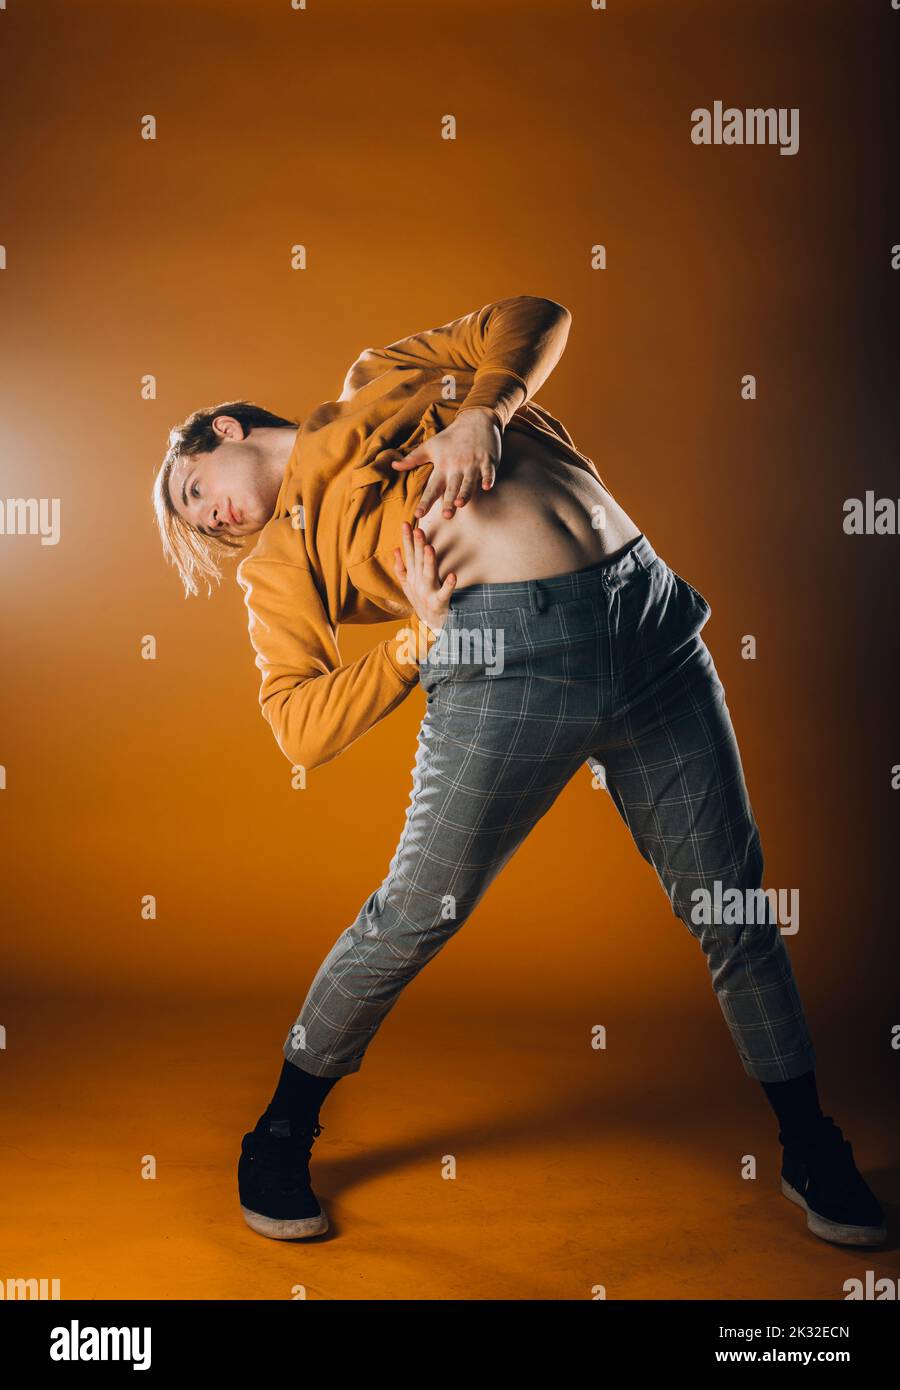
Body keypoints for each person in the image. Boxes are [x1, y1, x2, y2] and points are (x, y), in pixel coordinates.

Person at [153, 295, 885, 1250]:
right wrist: (417, 638)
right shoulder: (281, 558)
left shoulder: (386, 375)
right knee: (415, 911)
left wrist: (480, 413)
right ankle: (281, 1130)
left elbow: (534, 314)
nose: (213, 519)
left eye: (193, 489)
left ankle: (807, 1141)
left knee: (732, 902)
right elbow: (296, 724)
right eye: (200, 521)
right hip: (505, 661)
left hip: (648, 623)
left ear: (223, 429)